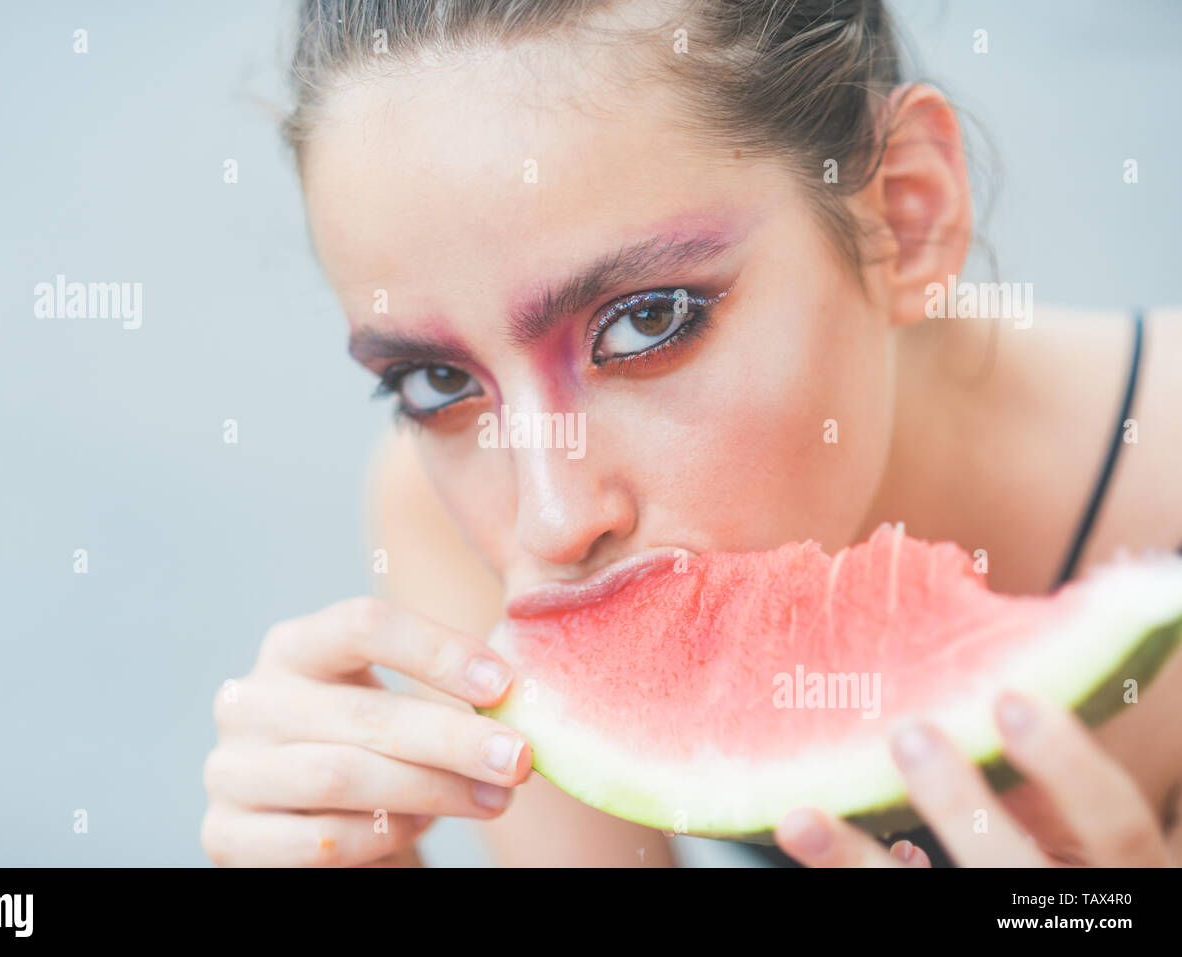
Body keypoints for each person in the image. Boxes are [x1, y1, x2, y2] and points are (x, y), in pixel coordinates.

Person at [201, 0, 1182, 867]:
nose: (549, 523)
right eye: (435, 381)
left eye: (644, 322)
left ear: (905, 212)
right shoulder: (428, 511)